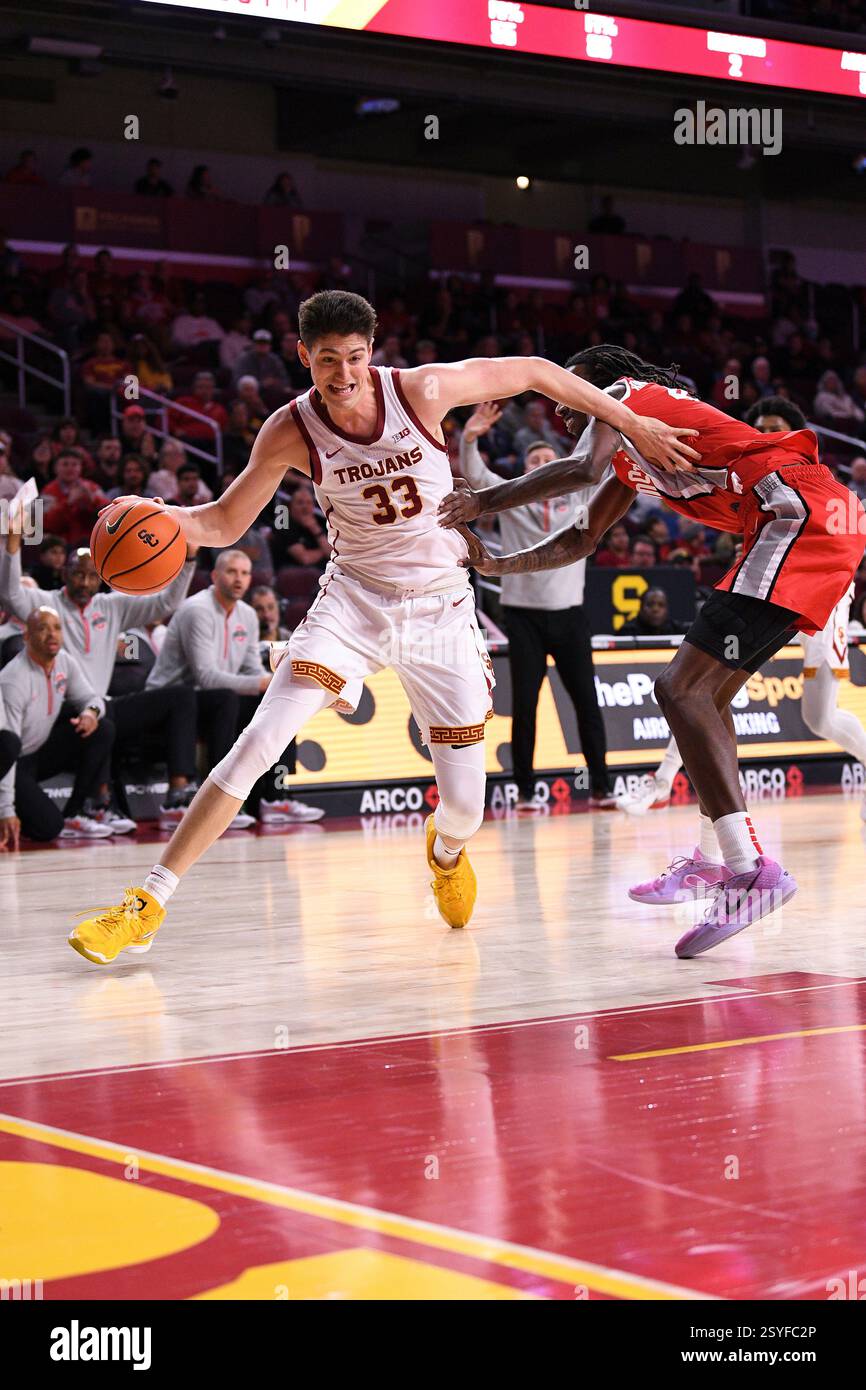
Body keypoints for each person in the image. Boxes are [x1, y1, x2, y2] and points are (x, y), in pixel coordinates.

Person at [68, 289, 695, 964]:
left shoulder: (422, 390)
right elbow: (221, 523)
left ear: (374, 353)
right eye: (328, 360)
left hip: (441, 609)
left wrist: (631, 421)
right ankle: (148, 902)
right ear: (303, 355)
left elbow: (539, 370)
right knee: (259, 741)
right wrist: (165, 517)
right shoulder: (289, 428)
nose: (343, 374)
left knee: (465, 809)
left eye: (356, 358)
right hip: (354, 603)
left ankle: (446, 852)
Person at [440, 343, 865, 957]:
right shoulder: (624, 454)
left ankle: (749, 870)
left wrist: (484, 501)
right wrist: (499, 564)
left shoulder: (627, 398)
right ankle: (711, 859)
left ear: (605, 383)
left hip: (797, 513)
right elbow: (583, 535)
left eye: (568, 392)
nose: (562, 411)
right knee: (708, 697)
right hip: (804, 519)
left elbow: (580, 470)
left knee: (679, 688)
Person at [460, 402, 615, 811]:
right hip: (523, 617)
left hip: (570, 616)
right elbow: (477, 477)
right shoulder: (514, 499)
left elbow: (608, 465)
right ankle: (526, 792)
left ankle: (601, 788)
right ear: (528, 471)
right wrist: (471, 437)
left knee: (586, 703)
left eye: (550, 459)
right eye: (535, 460)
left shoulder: (582, 492)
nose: (543, 464)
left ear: (560, 465)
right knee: (525, 707)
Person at [0, 532, 199, 831]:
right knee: (98, 719)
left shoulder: (113, 607)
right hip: (60, 711)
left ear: (102, 579)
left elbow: (166, 602)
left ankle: (177, 795)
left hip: (97, 704)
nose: (83, 582)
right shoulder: (46, 605)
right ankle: (97, 803)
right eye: (77, 574)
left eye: (91, 576)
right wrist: (12, 547)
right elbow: (11, 592)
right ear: (64, 573)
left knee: (180, 697)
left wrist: (190, 559)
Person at [144, 550, 321, 827]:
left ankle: (274, 798)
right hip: (170, 701)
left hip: (212, 701)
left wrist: (273, 684)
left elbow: (251, 669)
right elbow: (206, 678)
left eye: (245, 573)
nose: (239, 579)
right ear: (214, 576)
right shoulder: (196, 610)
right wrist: (260, 682)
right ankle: (217, 800)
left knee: (281, 701)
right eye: (231, 572)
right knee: (226, 699)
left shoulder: (248, 615)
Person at [0, 608, 115, 846]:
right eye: (42, 628)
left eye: (56, 628)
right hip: (12, 762)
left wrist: (89, 714)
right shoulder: (13, 679)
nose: (51, 634)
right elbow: (6, 750)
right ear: (26, 637)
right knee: (48, 828)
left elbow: (92, 699)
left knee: (102, 728)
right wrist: (6, 810)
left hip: (39, 753)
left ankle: (75, 811)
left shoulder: (64, 661)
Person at [619, 587, 690, 637]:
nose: (655, 609)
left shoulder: (678, 631)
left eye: (661, 605)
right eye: (650, 604)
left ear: (666, 610)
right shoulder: (626, 632)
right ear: (641, 608)